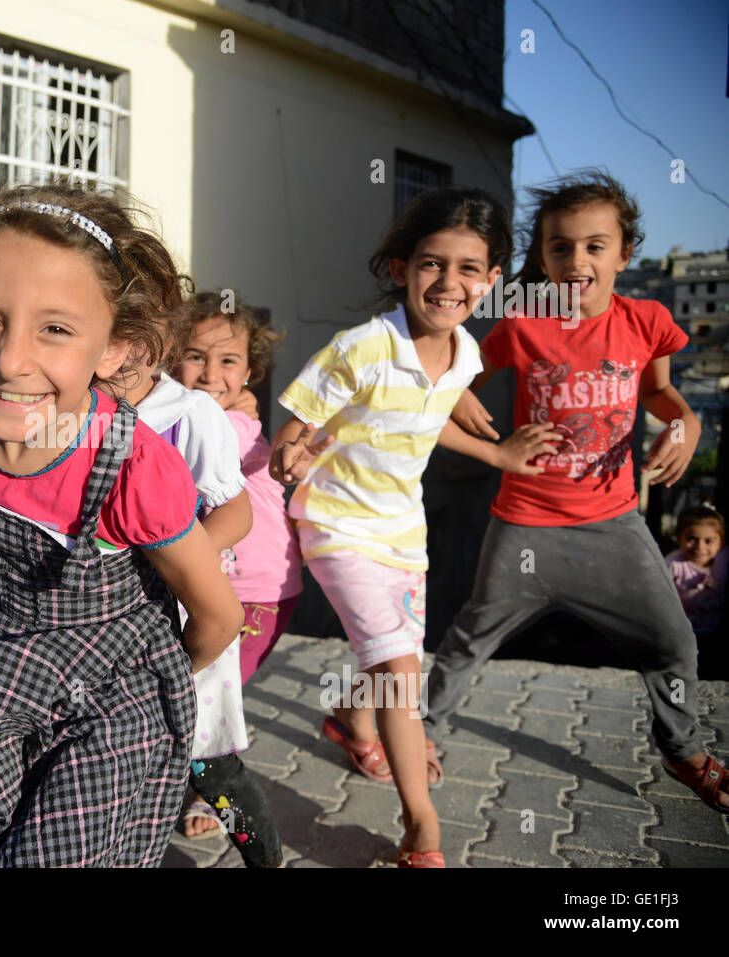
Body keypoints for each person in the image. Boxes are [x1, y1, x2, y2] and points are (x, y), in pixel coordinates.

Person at [0, 185, 244, 866]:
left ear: (115, 348)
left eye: (55, 329)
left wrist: (151, 685)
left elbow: (218, 616)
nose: (10, 360)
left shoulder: (131, 467)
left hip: (110, 708)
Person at [433, 171, 728, 816]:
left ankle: (682, 750)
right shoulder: (523, 324)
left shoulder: (647, 320)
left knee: (674, 643)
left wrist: (686, 422)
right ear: (543, 258)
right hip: (524, 522)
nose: (577, 261)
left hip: (614, 526)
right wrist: (455, 396)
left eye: (596, 246)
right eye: (560, 247)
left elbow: (660, 392)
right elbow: (458, 372)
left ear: (625, 254)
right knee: (471, 636)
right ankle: (420, 732)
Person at [272, 187, 521, 867]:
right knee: (401, 668)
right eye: (432, 263)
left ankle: (355, 721)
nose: (448, 282)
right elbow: (292, 434)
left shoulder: (466, 355)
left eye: (469, 268)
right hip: (337, 527)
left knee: (390, 660)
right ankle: (421, 827)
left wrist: (498, 453)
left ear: (491, 281)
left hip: (404, 534)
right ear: (401, 268)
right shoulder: (358, 349)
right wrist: (291, 454)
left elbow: (427, 414)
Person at [97, 284, 282, 866]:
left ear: (161, 340)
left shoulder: (191, 414)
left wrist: (175, 557)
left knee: (207, 762)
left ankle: (265, 860)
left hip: (185, 609)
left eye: (139, 335)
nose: (124, 351)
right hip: (105, 616)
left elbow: (236, 512)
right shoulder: (81, 406)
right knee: (123, 753)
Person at [172, 290, 302, 684]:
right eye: (195, 356)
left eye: (228, 360)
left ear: (249, 372)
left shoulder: (234, 425)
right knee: (198, 692)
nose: (210, 374)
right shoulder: (191, 416)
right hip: (211, 584)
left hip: (257, 590)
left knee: (208, 693)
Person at [665, 506, 726, 638]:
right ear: (679, 538)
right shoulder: (673, 565)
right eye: (692, 539)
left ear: (720, 542)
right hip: (685, 632)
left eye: (708, 541)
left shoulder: (725, 561)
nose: (699, 547)